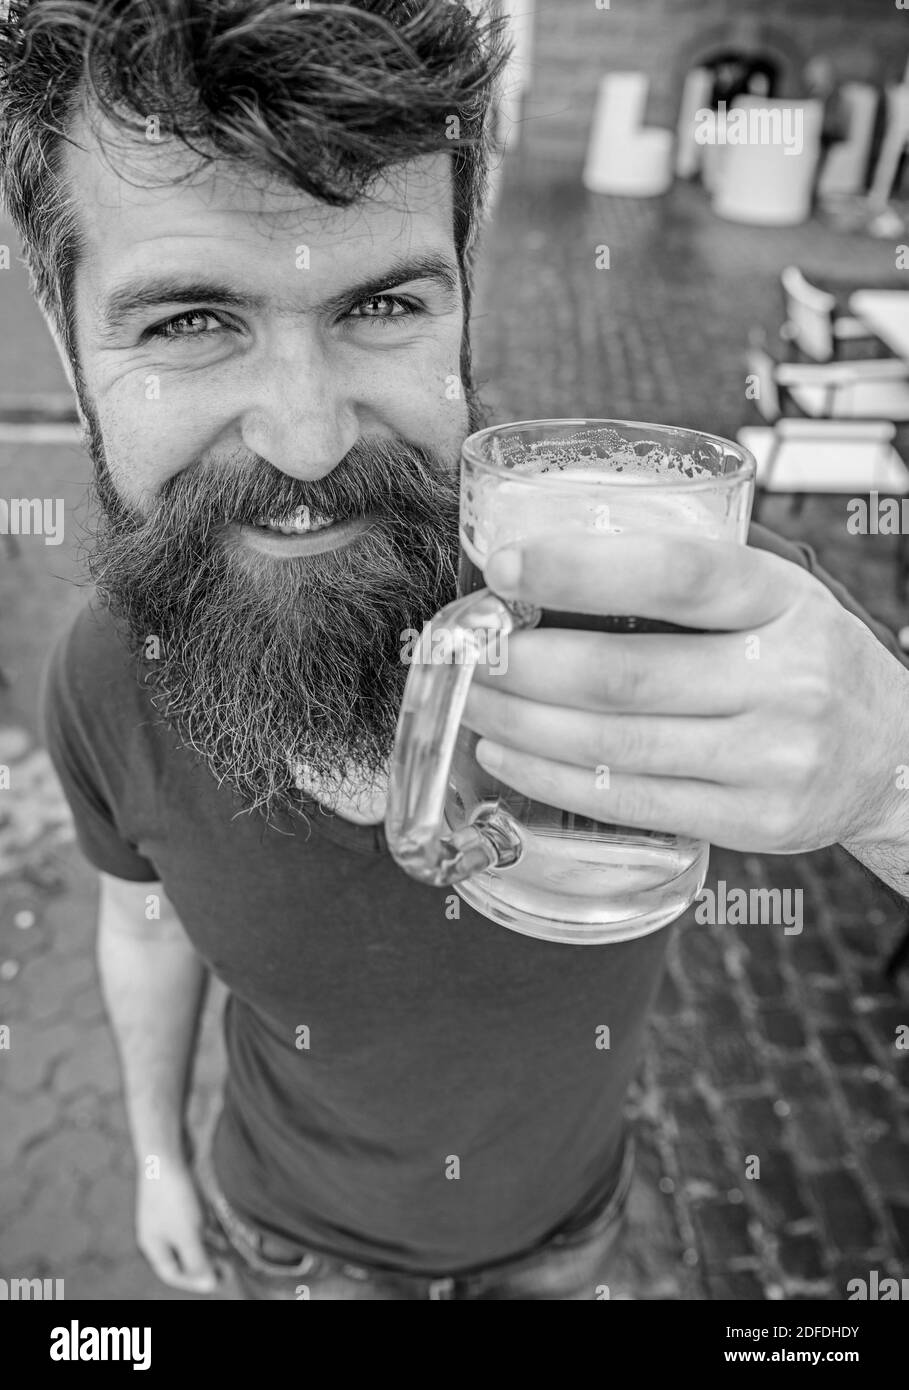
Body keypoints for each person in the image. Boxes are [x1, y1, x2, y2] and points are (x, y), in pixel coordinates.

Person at [3, 0, 909, 1301]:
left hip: (568, 1242)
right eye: (190, 321)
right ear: (63, 337)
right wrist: (153, 1155)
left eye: (381, 302)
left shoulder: (670, 598)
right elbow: (144, 923)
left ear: (464, 293)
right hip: (290, 1249)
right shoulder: (102, 674)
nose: (308, 441)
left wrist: (884, 769)